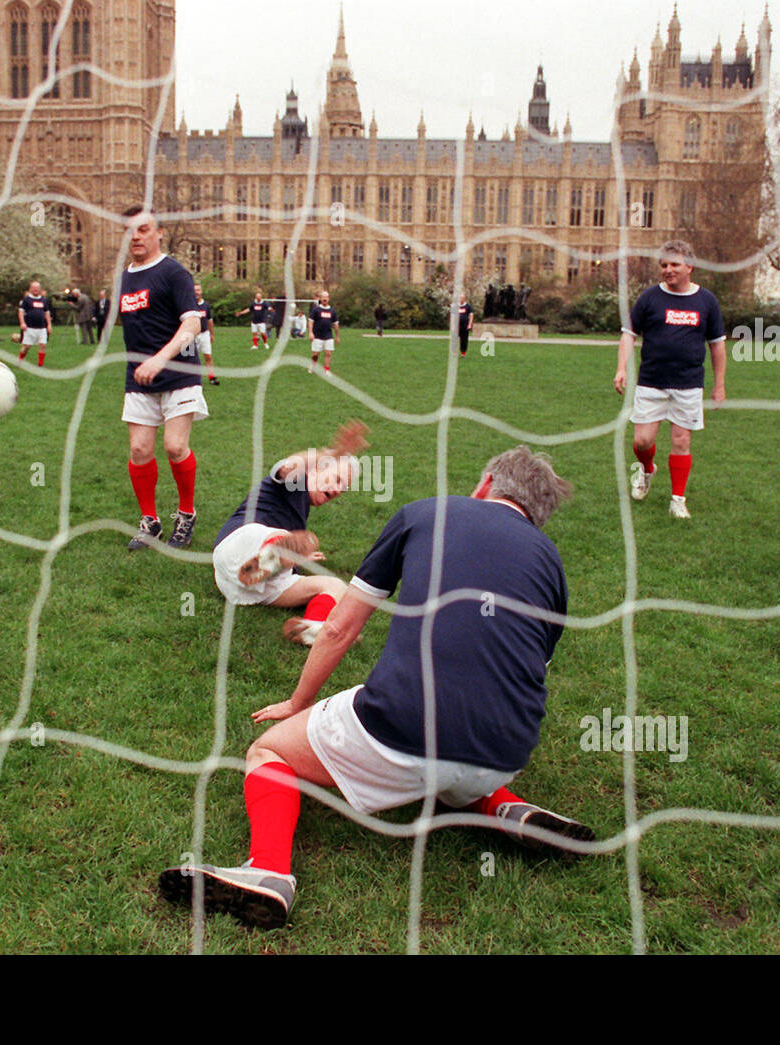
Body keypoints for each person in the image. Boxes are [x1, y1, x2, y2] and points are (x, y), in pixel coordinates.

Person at [158, 445, 595, 930]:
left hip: (403, 725)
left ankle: (268, 872)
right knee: (455, 759)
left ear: (486, 485)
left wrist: (297, 703)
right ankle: (507, 806)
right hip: (507, 748)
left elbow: (341, 630)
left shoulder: (424, 513)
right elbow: (533, 668)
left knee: (268, 753)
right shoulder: (552, 563)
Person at [212, 420, 368, 648]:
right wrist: (333, 452)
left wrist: (297, 558)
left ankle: (312, 627)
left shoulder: (299, 515)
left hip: (246, 591)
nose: (336, 490)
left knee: (336, 587)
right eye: (336, 479)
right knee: (306, 541)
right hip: (236, 548)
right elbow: (287, 467)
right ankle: (274, 555)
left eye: (342, 489)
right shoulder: (293, 483)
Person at [614, 239, 726, 520]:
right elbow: (629, 334)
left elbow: (717, 344)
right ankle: (648, 469)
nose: (668, 269)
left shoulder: (706, 301)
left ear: (690, 266)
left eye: (674, 264)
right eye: (663, 265)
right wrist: (621, 369)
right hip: (651, 382)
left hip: (688, 384)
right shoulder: (650, 298)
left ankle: (678, 499)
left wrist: (719, 384)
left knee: (681, 441)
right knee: (642, 441)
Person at [117, 206, 205, 551]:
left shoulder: (173, 272)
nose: (136, 237)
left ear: (158, 232)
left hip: (179, 372)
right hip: (138, 376)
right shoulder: (124, 277)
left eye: (142, 229)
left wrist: (161, 358)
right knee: (139, 449)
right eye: (129, 232)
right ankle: (150, 522)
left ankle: (186, 514)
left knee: (174, 446)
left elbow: (192, 323)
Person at [18, 280, 52, 366]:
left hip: (42, 327)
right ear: (30, 289)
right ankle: (20, 360)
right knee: (27, 346)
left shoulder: (44, 300)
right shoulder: (27, 300)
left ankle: (40, 364)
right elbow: (21, 312)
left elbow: (47, 313)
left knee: (43, 345)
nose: (35, 289)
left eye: (37, 288)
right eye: (33, 288)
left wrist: (49, 325)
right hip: (29, 327)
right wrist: (22, 323)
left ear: (40, 289)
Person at [192, 282, 218, 385]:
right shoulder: (189, 304)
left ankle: (212, 378)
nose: (196, 292)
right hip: (191, 335)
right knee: (190, 358)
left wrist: (212, 334)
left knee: (208, 357)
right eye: (194, 290)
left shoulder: (206, 305)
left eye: (198, 290)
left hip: (204, 334)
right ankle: (192, 379)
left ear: (201, 291)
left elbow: (209, 321)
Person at [308, 289, 339, 375]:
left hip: (328, 336)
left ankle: (326, 369)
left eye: (326, 297)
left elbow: (335, 324)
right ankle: (313, 366)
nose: (325, 299)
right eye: (323, 297)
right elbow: (310, 321)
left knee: (328, 353)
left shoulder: (332, 311)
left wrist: (337, 336)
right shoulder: (316, 310)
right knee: (315, 354)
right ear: (320, 298)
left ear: (328, 298)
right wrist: (310, 333)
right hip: (317, 336)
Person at [455, 293, 473, 357]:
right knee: (455, 339)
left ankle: (463, 352)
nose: (461, 299)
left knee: (464, 339)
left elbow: (471, 316)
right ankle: (454, 352)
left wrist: (469, 324)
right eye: (460, 298)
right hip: (457, 325)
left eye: (462, 298)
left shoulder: (468, 306)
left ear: (464, 299)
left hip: (465, 325)